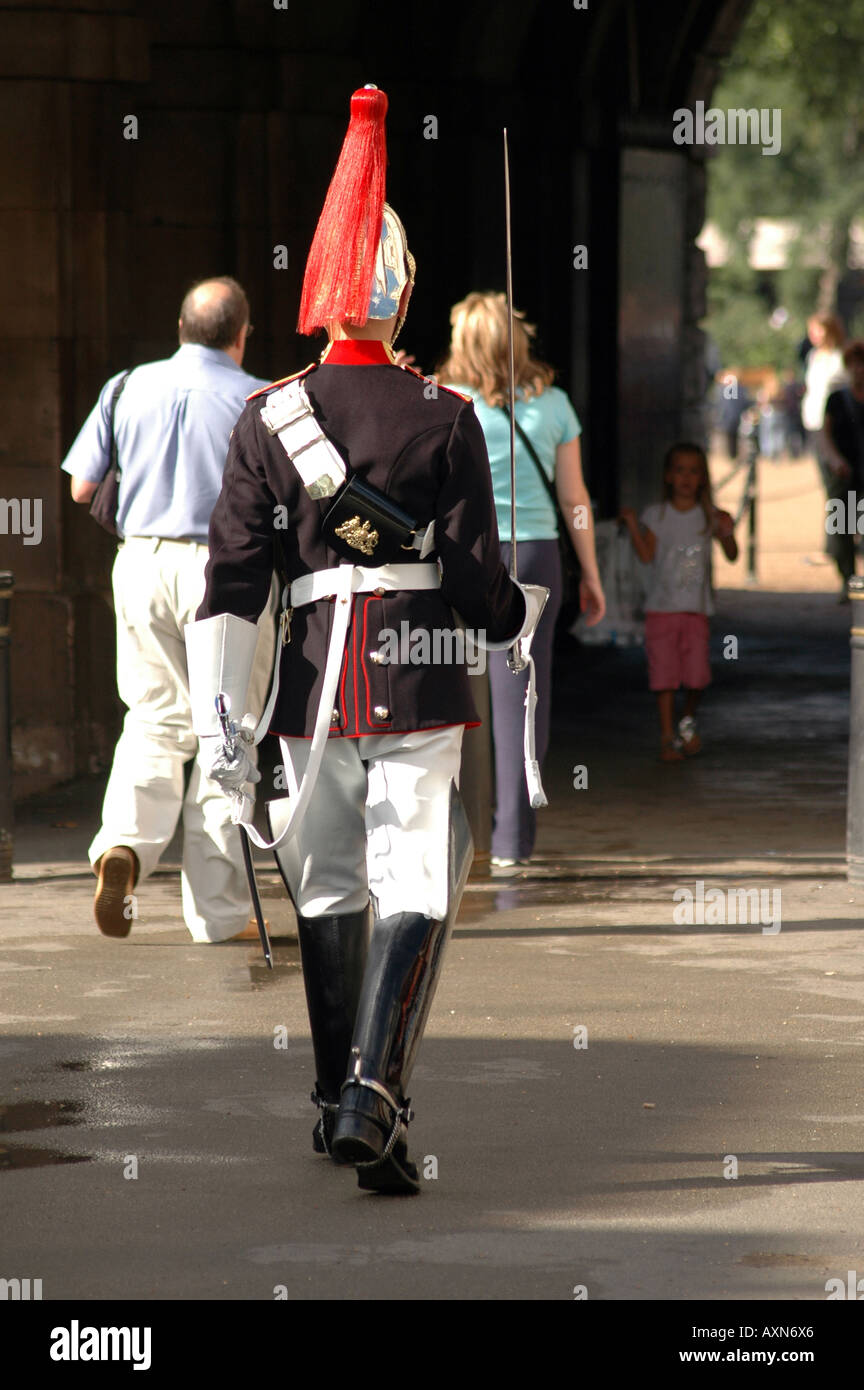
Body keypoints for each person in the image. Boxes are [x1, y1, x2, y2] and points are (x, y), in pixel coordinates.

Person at [184, 86, 545, 1195]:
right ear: (399, 298)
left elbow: (232, 584)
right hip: (419, 674)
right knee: (418, 876)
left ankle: (339, 1094)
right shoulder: (447, 414)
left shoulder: (268, 414)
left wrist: (219, 730)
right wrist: (516, 616)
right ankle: (373, 1095)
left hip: (306, 684)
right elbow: (478, 575)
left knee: (331, 884)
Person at [62, 277, 275, 943]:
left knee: (154, 719)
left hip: (143, 561)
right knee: (229, 729)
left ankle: (123, 844)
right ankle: (215, 915)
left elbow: (81, 488)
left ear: (180, 326)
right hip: (226, 572)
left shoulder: (126, 387)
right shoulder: (259, 400)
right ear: (241, 335)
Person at [437, 292, 605, 867]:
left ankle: (451, 836)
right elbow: (575, 498)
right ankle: (511, 841)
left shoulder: (444, 401)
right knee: (524, 701)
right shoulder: (555, 404)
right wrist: (592, 573)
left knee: (448, 692)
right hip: (535, 558)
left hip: (462, 556)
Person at [619, 443, 737, 762]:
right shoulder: (656, 516)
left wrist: (727, 532)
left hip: (696, 611)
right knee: (664, 676)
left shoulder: (709, 517)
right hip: (661, 609)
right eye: (680, 471)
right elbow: (646, 555)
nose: (686, 478)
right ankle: (668, 736)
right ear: (669, 477)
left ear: (703, 479)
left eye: (694, 471)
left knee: (697, 675)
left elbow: (732, 555)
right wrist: (632, 524)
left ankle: (687, 720)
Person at [802, 313, 849, 591]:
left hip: (833, 432)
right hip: (815, 428)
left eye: (818, 330)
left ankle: (837, 546)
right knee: (832, 492)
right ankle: (835, 545)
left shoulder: (839, 359)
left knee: (839, 494)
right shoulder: (814, 357)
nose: (814, 335)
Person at [823, 340, 864, 591]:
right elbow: (824, 434)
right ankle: (848, 579)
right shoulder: (836, 399)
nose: (860, 369)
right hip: (845, 474)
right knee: (841, 530)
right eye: (855, 364)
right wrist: (834, 459)